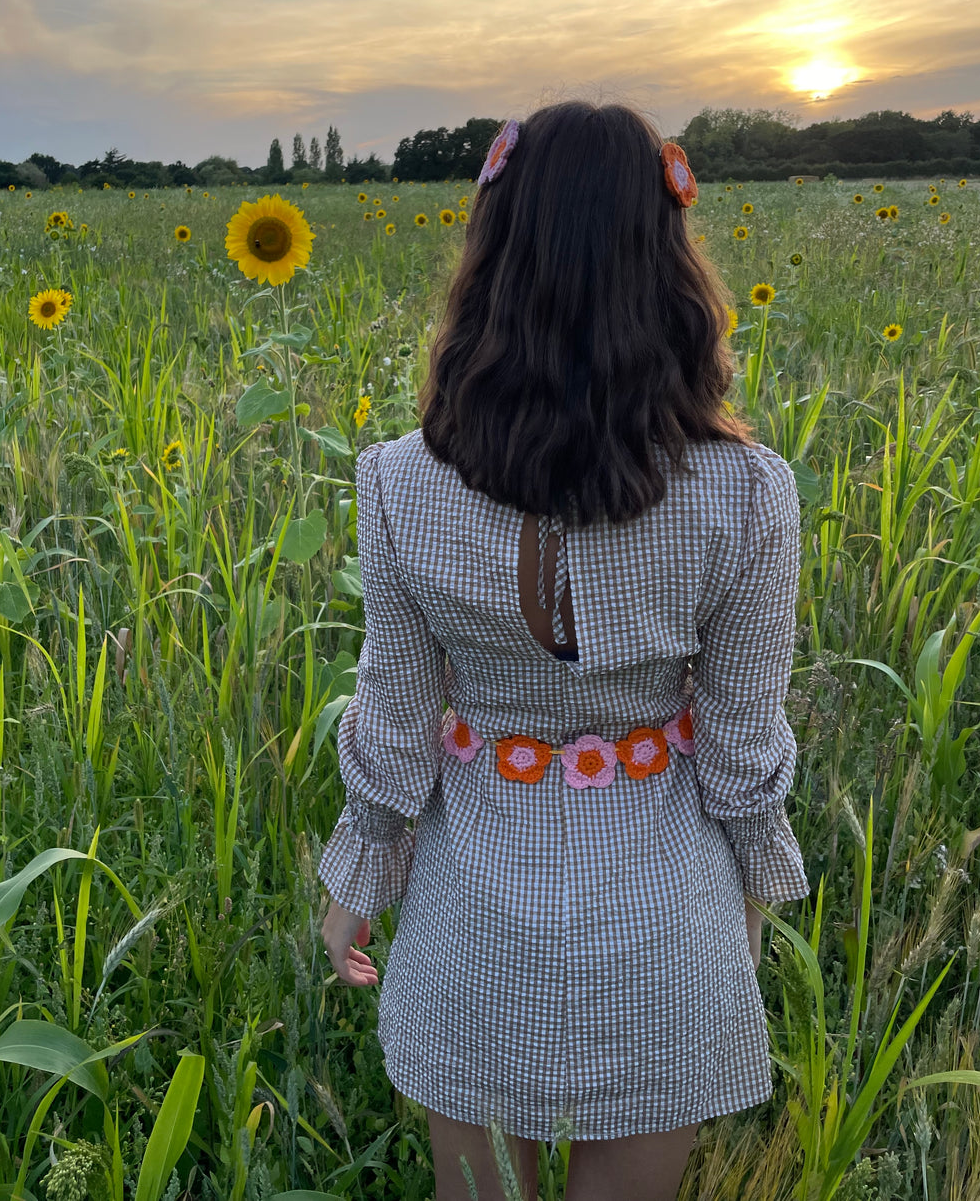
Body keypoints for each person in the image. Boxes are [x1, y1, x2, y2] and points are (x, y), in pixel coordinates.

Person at [318, 100, 811, 1201]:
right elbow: (739, 752)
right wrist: (753, 894)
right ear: (667, 265)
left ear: (487, 258)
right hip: (664, 917)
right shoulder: (745, 496)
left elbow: (393, 721)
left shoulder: (399, 483)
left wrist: (355, 877)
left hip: (468, 910)